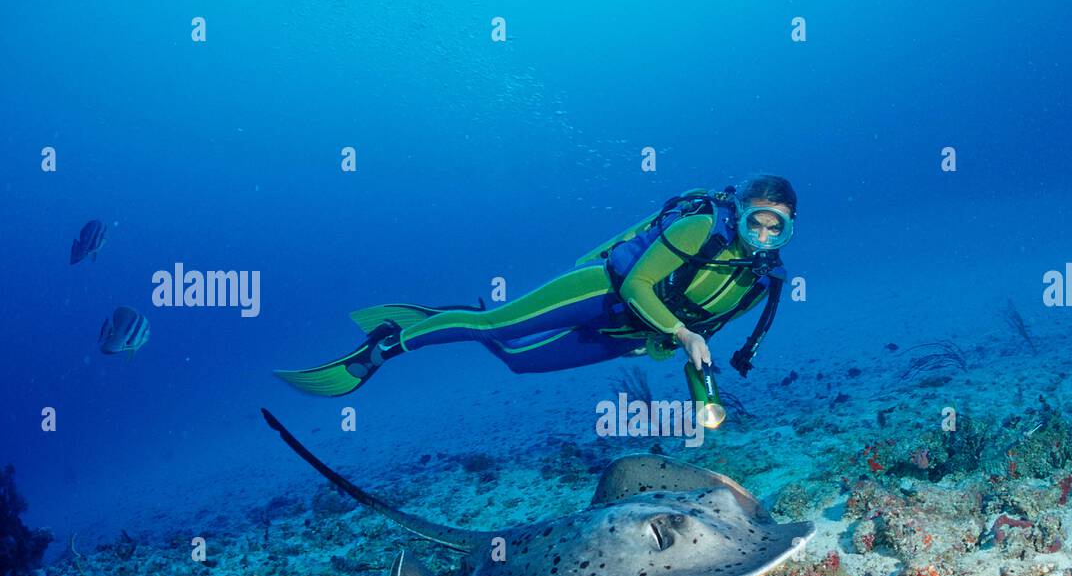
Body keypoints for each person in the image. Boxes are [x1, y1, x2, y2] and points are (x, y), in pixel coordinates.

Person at [275, 174, 796, 397]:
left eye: (779, 227)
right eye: (758, 221)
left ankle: (441, 316)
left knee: (517, 359)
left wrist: (686, 354)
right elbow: (639, 286)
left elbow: (707, 324)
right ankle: (389, 342)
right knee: (495, 322)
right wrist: (682, 333)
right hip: (603, 291)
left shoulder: (761, 283)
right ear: (740, 212)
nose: (765, 236)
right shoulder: (698, 228)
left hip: (625, 336)